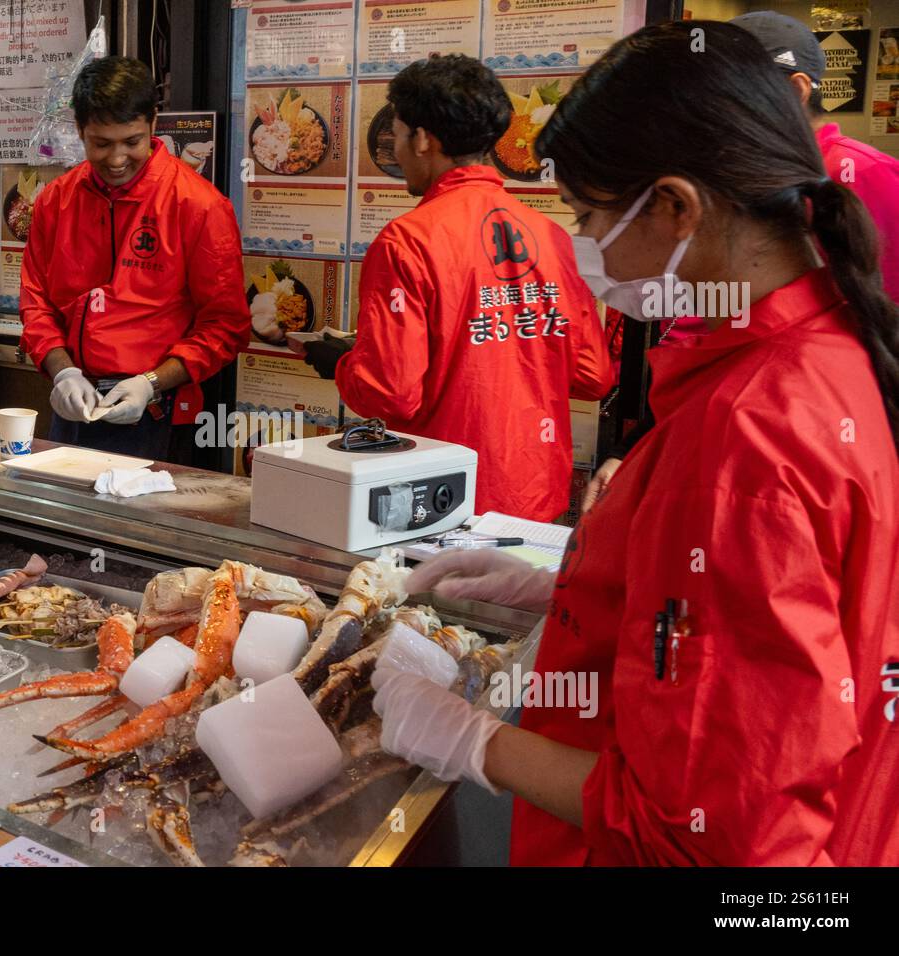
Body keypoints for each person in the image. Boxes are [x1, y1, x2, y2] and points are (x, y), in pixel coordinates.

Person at [376, 21, 899, 865]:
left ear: (675, 206)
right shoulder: (823, 341)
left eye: (589, 214)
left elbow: (704, 827)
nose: (584, 244)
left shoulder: (750, 435)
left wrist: (471, 739)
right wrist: (588, 587)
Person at [582, 9, 899, 510]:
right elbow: (698, 337)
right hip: (710, 434)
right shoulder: (723, 188)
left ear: (794, 93)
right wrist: (637, 448)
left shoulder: (871, 179)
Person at [302, 56, 612, 521]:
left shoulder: (407, 240)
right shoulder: (553, 237)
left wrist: (341, 363)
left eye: (398, 135)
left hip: (441, 499)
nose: (397, 151)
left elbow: (391, 393)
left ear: (424, 138)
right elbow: (592, 376)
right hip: (534, 496)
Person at [19, 56, 249, 463]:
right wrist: (64, 372)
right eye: (101, 143)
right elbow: (37, 304)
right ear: (79, 130)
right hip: (73, 403)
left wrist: (151, 382)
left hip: (159, 411)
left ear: (153, 123)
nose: (117, 159)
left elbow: (226, 326)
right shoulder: (56, 200)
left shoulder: (198, 205)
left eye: (132, 141)